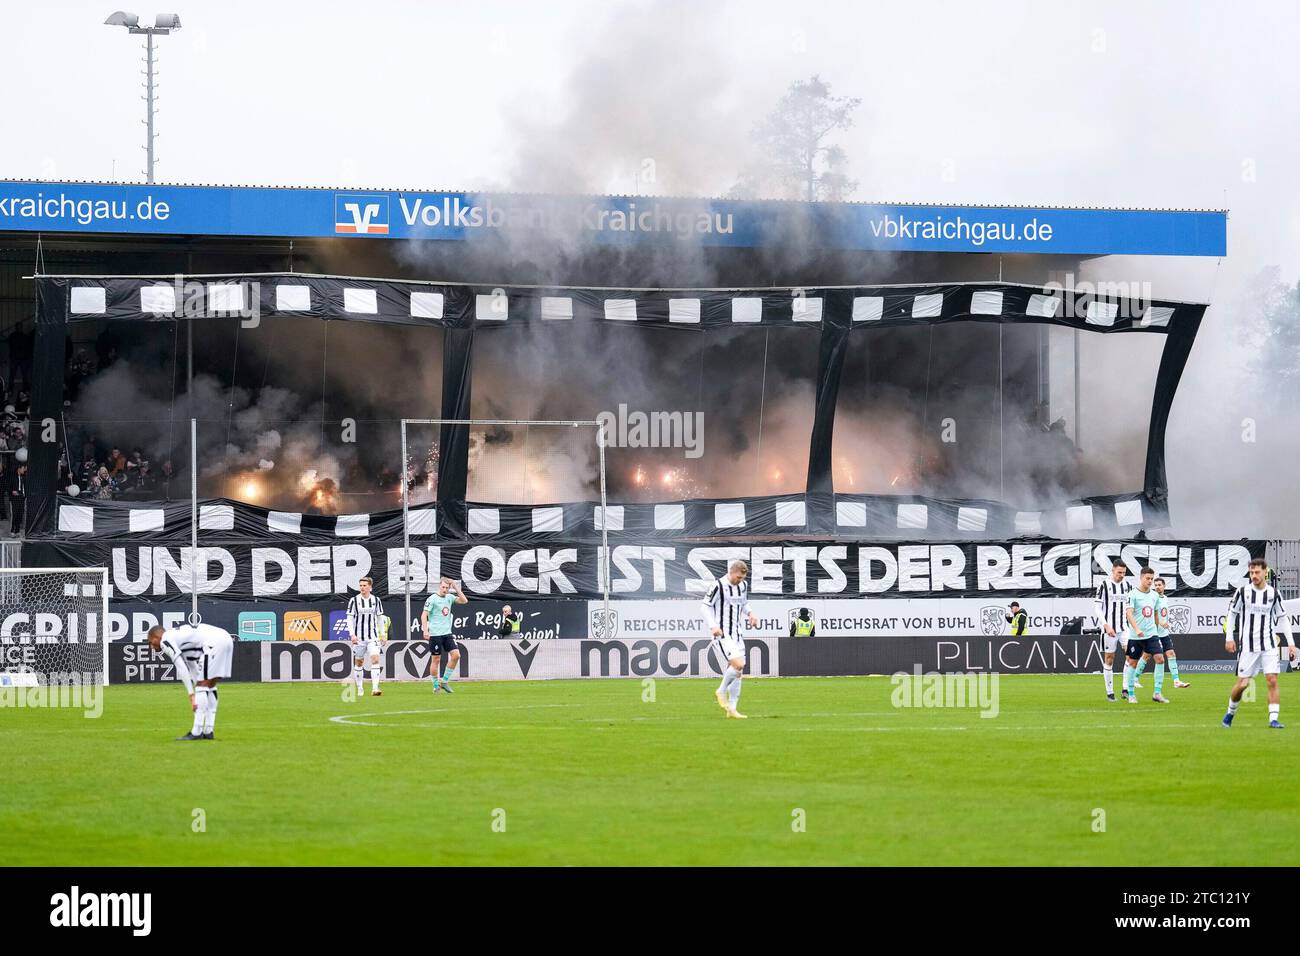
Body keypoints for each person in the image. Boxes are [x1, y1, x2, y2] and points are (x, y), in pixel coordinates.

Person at [1222, 558, 1295, 729]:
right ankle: (1230, 713)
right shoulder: (1242, 592)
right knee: (1243, 684)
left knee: (1272, 680)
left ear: (1265, 572)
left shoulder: (1274, 594)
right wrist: (1229, 638)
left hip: (1269, 645)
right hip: (1248, 646)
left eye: (1257, 572)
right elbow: (1232, 614)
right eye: (1251, 572)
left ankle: (1273, 719)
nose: (1254, 575)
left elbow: (1282, 618)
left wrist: (1290, 643)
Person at [146, 621, 235, 741]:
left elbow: (180, 666)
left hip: (215, 642)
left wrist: (191, 694)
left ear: (156, 637)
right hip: (226, 638)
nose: (151, 646)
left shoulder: (165, 640)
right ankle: (208, 730)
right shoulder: (182, 640)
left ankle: (197, 731)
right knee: (210, 685)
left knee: (202, 686)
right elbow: (192, 666)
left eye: (150, 642)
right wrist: (196, 687)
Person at [703, 559, 757, 719]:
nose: (740, 581)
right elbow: (705, 606)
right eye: (738, 577)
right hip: (722, 634)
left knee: (737, 672)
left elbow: (744, 603)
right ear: (731, 572)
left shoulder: (743, 586)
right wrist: (713, 626)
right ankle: (721, 691)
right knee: (739, 664)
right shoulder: (718, 585)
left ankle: (732, 709)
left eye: (742, 578)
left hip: (737, 634)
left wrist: (751, 614)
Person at [1132, 577, 1190, 691]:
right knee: (1146, 656)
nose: (1157, 587)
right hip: (1153, 634)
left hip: (1164, 633)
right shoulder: (1152, 598)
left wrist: (1165, 624)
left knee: (1171, 654)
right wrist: (1160, 623)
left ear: (1164, 586)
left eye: (1159, 585)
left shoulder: (1165, 598)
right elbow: (1152, 615)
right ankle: (1134, 679)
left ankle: (1176, 681)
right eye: (1156, 585)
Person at [1122, 567, 1168, 704]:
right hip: (1136, 636)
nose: (1150, 581)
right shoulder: (1132, 594)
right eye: (1147, 578)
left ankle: (1157, 693)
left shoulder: (1154, 596)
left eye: (1151, 579)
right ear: (1141, 578)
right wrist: (1136, 629)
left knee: (1160, 659)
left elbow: (1155, 614)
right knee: (1132, 663)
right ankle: (1131, 694)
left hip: (1151, 635)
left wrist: (1159, 628)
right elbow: (1129, 613)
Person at [1093, 558, 1131, 701]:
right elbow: (1097, 608)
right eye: (1119, 572)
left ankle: (1126, 689)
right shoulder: (1103, 585)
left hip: (1124, 628)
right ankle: (1110, 692)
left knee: (1131, 656)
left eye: (1124, 573)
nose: (1121, 575)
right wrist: (1106, 625)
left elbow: (1130, 607)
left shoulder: (1127, 585)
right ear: (1113, 570)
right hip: (1109, 629)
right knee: (1109, 659)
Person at [422, 577, 467, 693]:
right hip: (435, 634)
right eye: (443, 587)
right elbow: (424, 615)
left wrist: (456, 587)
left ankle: (444, 681)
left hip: (447, 633)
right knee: (436, 660)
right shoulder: (432, 599)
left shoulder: (450, 598)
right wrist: (425, 630)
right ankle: (436, 685)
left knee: (456, 655)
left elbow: (464, 600)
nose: (445, 589)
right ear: (439, 586)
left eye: (447, 588)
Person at [346, 576, 387, 697]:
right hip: (359, 638)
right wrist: (352, 634)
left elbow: (379, 618)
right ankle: (360, 688)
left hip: (373, 637)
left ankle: (375, 688)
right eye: (361, 586)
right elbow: (349, 618)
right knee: (359, 663)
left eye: (364, 585)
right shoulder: (354, 600)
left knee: (375, 660)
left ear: (370, 587)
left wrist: (382, 634)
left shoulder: (376, 600)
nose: (362, 588)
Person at [6, 460, 26, 535]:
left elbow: (25, 487)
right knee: (14, 513)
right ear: (19, 469)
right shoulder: (12, 476)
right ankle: (12, 530)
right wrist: (12, 491)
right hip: (14, 498)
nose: (24, 470)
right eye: (23, 468)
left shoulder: (23, 477)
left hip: (21, 497)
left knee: (20, 514)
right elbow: (7, 486)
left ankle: (17, 530)